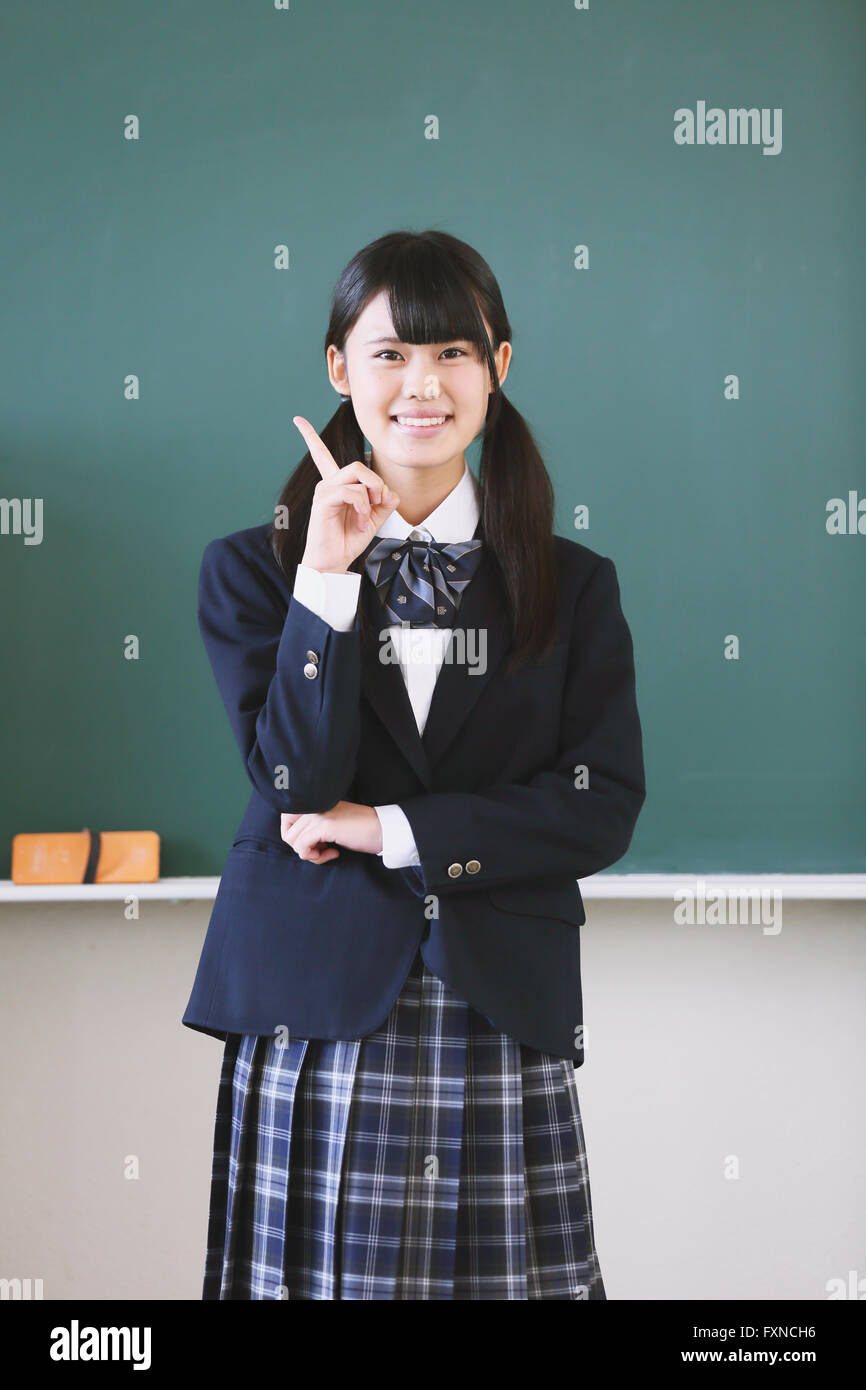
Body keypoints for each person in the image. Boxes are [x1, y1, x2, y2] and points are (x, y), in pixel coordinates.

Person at [183, 228, 646, 1299]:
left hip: (497, 1005)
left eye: (452, 353)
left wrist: (390, 829)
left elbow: (600, 807)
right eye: (389, 353)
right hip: (314, 1005)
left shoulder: (571, 585)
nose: (421, 384)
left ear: (499, 366)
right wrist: (328, 579)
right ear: (339, 370)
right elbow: (295, 786)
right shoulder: (254, 572)